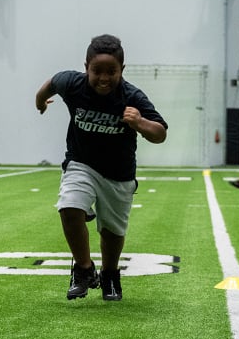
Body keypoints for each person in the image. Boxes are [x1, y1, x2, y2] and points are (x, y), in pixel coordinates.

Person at [35, 34, 168, 301]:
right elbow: (49, 86)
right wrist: (40, 102)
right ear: (86, 67)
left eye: (112, 71)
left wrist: (140, 122)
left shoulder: (131, 96)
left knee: (112, 232)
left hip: (118, 173)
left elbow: (160, 132)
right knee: (69, 207)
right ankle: (84, 269)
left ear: (122, 70)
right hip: (81, 163)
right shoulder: (72, 83)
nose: (104, 78)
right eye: (97, 71)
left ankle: (110, 275)